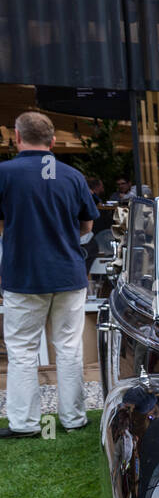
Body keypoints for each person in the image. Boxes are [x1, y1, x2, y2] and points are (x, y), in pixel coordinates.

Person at [0, 111, 99, 438]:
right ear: (53, 141)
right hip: (69, 273)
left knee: (22, 350)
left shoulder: (5, 173)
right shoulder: (72, 175)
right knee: (69, 347)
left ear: (17, 137)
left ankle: (26, 424)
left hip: (23, 275)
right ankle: (73, 419)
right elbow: (87, 225)